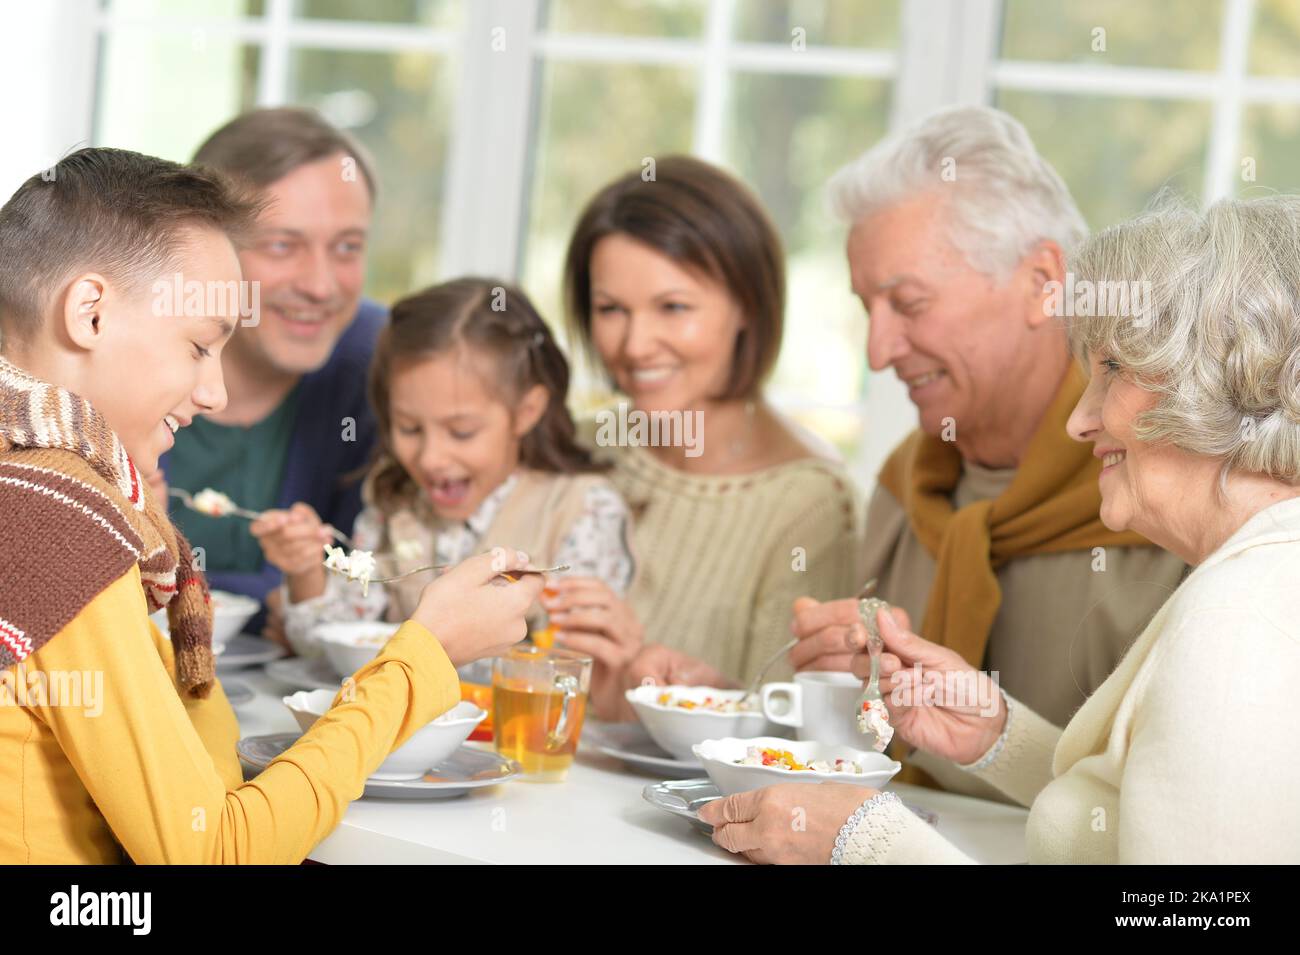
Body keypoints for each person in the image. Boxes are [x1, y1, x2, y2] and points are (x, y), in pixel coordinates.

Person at [702, 194, 1300, 864]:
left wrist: (864, 842)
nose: (1080, 420)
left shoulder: (1235, 620)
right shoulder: (1264, 580)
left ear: (1217, 377)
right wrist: (1000, 736)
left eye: (1111, 370)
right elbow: (1147, 828)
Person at [0, 148, 539, 863]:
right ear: (90, 313)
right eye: (199, 346)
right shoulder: (55, 519)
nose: (214, 392)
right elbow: (217, 849)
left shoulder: (38, 488)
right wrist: (426, 653)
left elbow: (205, 778)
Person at [788, 106, 1186, 794]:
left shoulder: (1168, 509)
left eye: (907, 303)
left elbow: (1167, 824)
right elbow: (866, 766)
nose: (877, 352)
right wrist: (838, 687)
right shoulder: (903, 488)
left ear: (1042, 283)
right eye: (866, 309)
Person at [551, 156, 861, 717]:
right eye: (610, 309)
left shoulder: (809, 504)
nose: (636, 344)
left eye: (673, 307)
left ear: (746, 305)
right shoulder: (573, 446)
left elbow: (793, 735)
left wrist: (678, 694)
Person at [264, 278, 635, 691]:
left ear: (527, 411)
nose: (430, 458)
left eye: (461, 432)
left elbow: (572, 676)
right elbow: (331, 645)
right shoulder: (396, 505)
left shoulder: (579, 510)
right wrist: (304, 572)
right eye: (408, 427)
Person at [158, 108, 385, 633]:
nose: (321, 286)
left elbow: (376, 581)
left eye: (347, 247)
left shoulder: (381, 365)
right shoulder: (119, 371)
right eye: (283, 245)